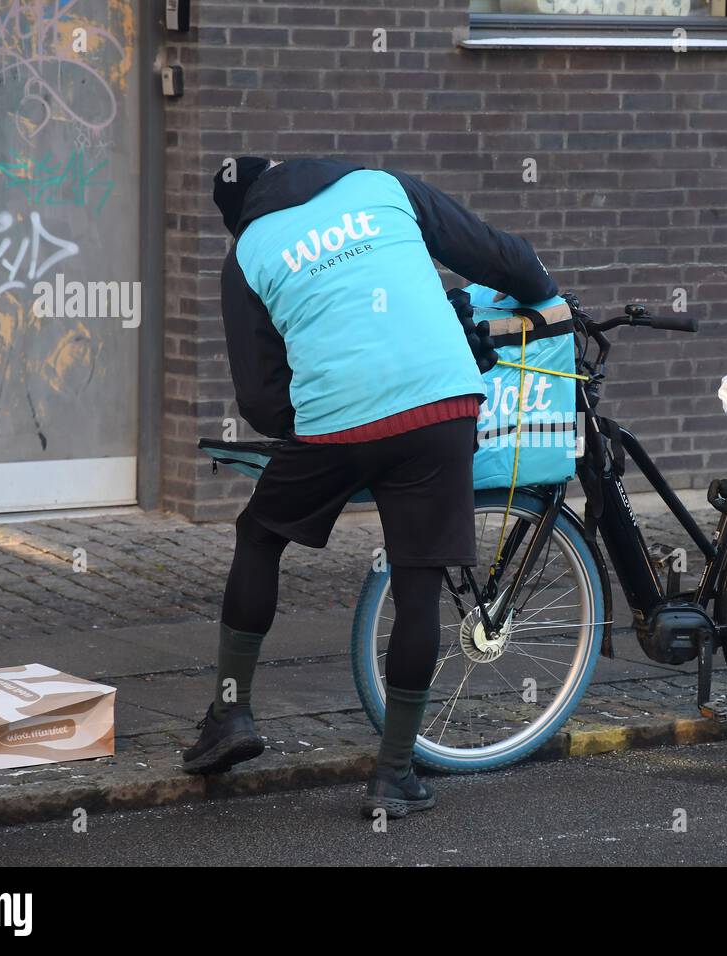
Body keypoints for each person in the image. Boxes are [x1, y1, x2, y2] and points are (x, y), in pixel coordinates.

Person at [182, 156, 556, 820]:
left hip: (335, 423)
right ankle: (393, 775)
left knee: (259, 536)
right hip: (442, 408)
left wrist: (325, 422)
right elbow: (496, 255)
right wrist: (540, 294)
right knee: (416, 582)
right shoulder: (381, 187)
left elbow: (260, 400)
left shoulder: (247, 253)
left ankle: (232, 715)